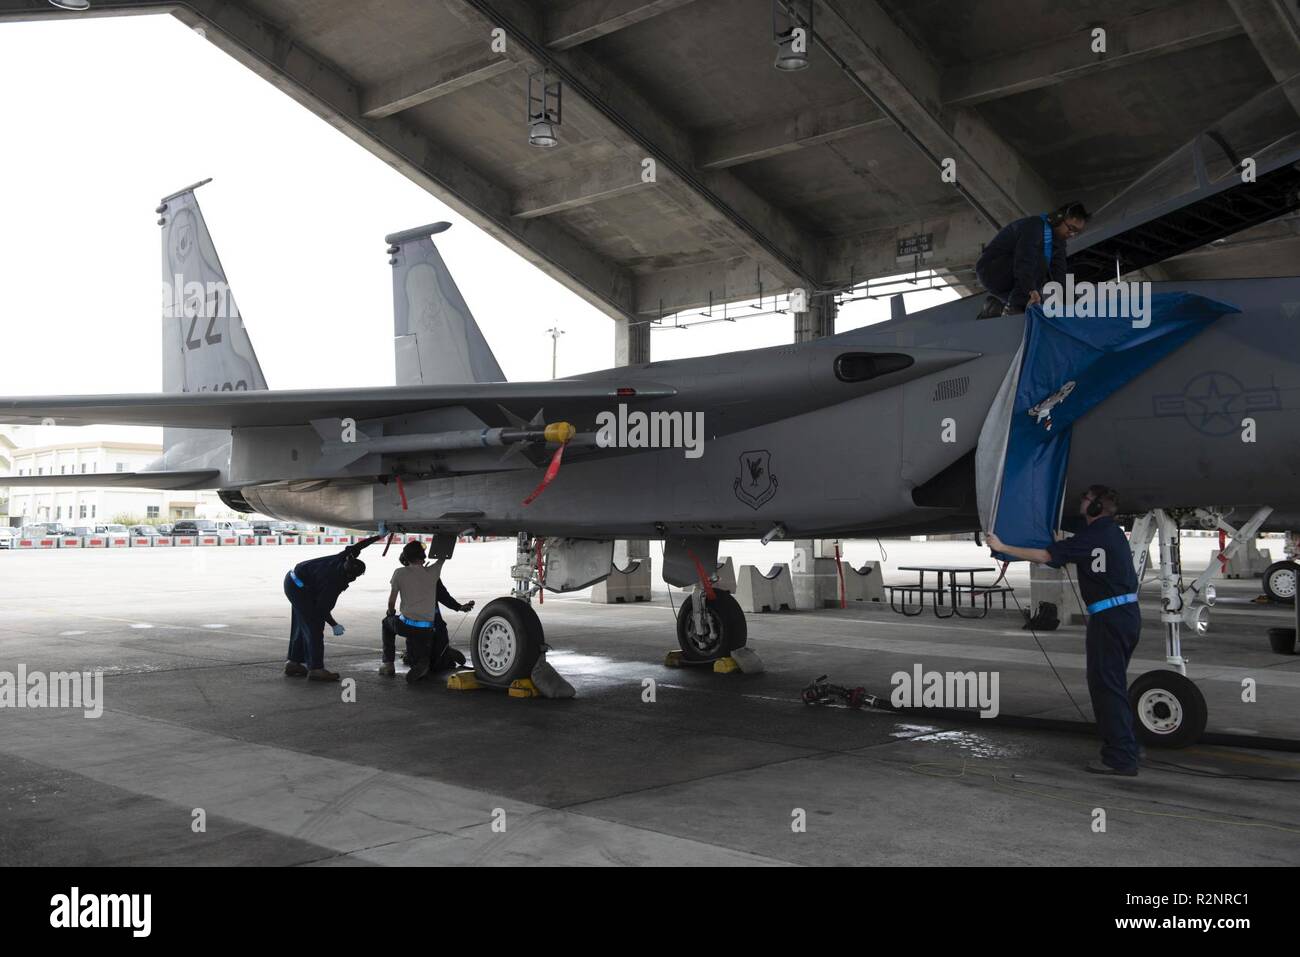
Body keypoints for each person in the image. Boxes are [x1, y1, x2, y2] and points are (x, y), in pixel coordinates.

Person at [986, 485, 1142, 776]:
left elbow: (1046, 557)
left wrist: (1003, 547)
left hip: (1109, 618)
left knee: (1106, 687)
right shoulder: (1109, 532)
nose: (1080, 502)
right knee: (1114, 683)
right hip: (1125, 614)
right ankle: (1127, 745)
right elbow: (1071, 528)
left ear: (1095, 507)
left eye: (1085, 500)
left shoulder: (1092, 537)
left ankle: (1120, 757)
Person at [283, 534, 384, 681]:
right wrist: (334, 624)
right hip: (299, 589)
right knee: (315, 626)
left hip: (293, 580)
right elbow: (322, 610)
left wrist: (379, 536)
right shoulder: (334, 582)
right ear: (352, 576)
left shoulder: (343, 558)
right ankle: (316, 669)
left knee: (301, 623)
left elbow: (358, 546)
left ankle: (293, 663)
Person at [975, 202, 1090, 317]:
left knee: (1040, 304)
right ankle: (1015, 308)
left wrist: (1077, 306)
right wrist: (1030, 290)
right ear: (1058, 218)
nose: (1072, 234)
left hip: (1009, 283)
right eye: (1071, 228)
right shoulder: (1036, 225)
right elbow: (1024, 259)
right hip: (991, 270)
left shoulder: (1058, 244)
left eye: (1076, 232)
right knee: (1039, 262)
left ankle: (993, 310)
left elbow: (1060, 276)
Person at [383, 540, 474, 683]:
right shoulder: (432, 574)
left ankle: (389, 664)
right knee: (436, 663)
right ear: (423, 556)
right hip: (430, 627)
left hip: (409, 625)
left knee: (389, 625)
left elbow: (391, 602)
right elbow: (442, 564)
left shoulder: (399, 573)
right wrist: (459, 607)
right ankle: (441, 655)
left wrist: (390, 613)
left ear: (406, 559)